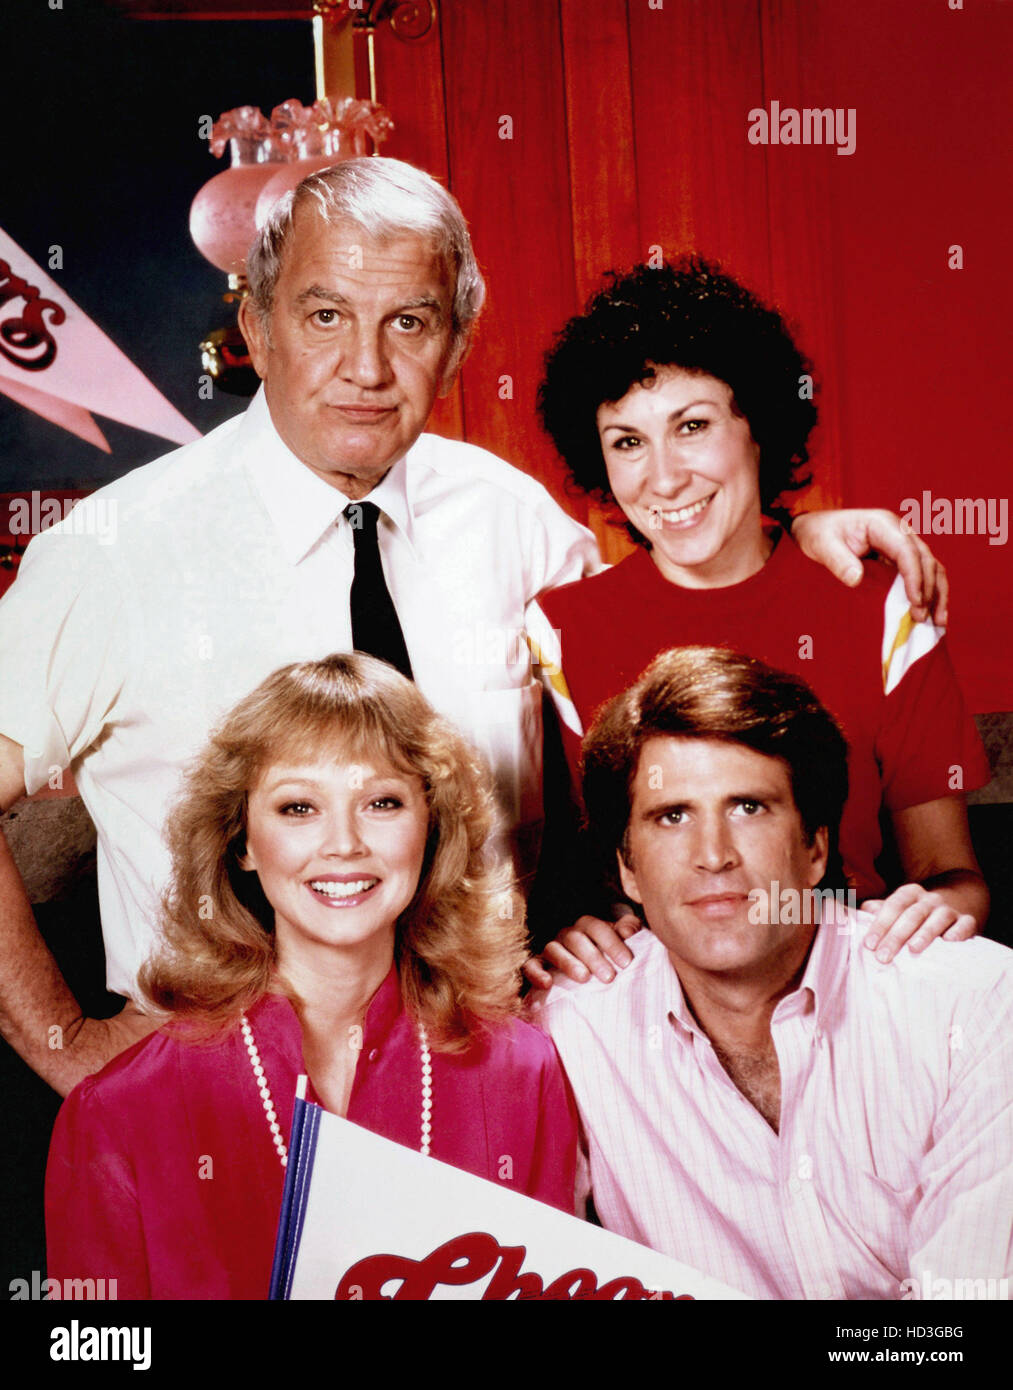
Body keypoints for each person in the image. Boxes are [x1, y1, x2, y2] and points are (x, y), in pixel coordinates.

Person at [0, 158, 945, 1097]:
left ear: (454, 344)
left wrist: (795, 528)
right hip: (222, 1088)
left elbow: (675, 614)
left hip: (494, 1075)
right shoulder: (111, 553)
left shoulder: (512, 518)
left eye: (407, 322)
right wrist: (63, 1041)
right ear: (256, 324)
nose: (365, 367)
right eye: (324, 315)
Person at [45, 653, 577, 1300]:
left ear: (431, 826)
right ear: (241, 840)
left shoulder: (523, 1072)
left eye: (381, 802)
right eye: (299, 808)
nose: (343, 844)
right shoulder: (117, 1113)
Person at [526, 259, 989, 987]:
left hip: (858, 987)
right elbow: (605, 884)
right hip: (666, 1018)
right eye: (627, 442)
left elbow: (950, 873)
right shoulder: (560, 630)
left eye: (693, 426)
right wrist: (580, 927)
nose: (664, 477)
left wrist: (938, 912)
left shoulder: (877, 605)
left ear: (758, 428)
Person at [535, 646, 1013, 1301]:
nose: (712, 856)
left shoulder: (974, 1004)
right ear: (626, 869)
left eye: (748, 808)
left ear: (815, 848)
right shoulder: (568, 1030)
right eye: (671, 816)